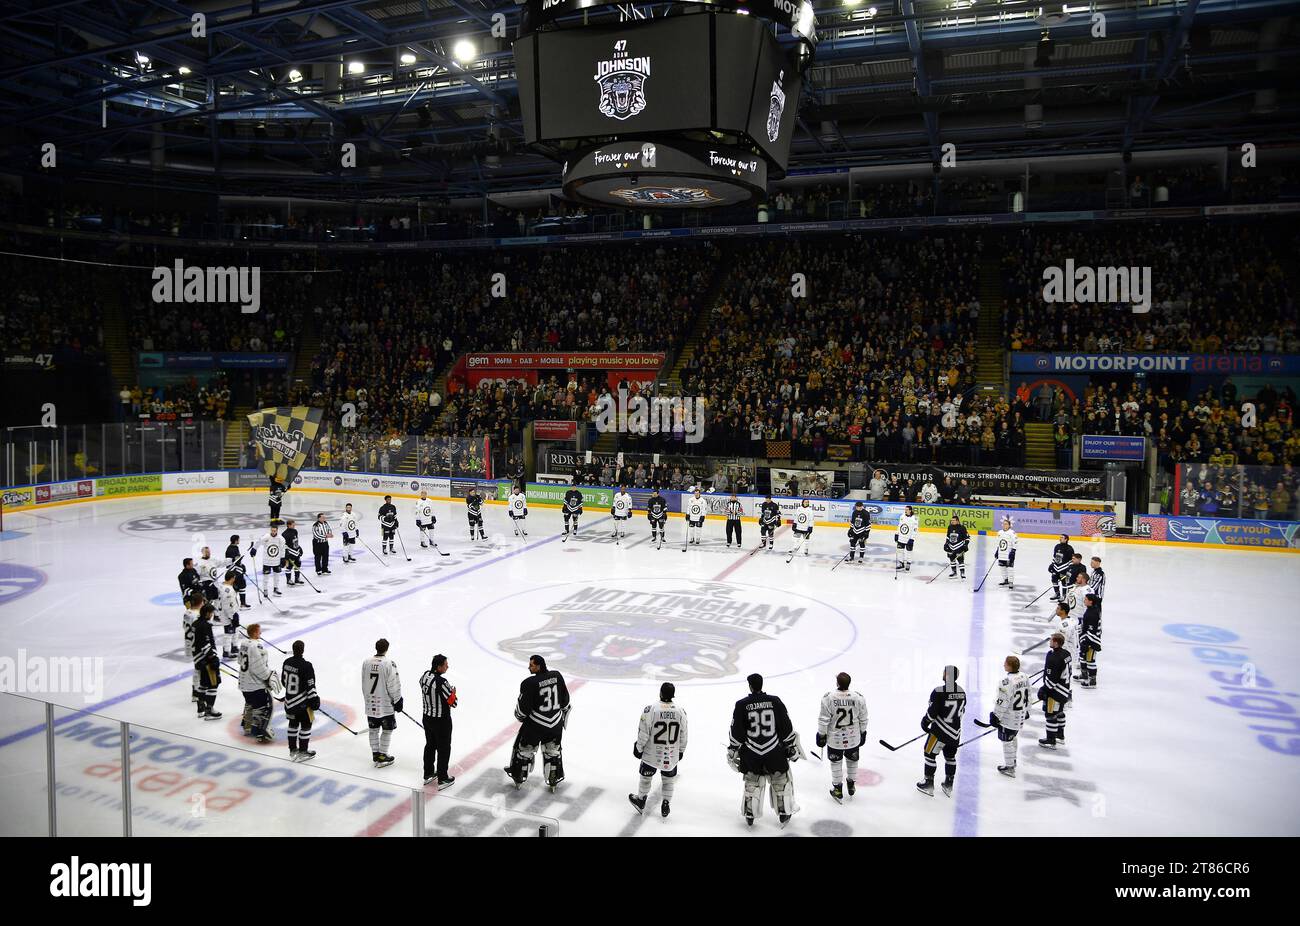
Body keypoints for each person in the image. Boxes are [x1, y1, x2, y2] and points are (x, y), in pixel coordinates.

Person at [728, 673, 799, 828]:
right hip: (774, 751)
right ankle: (784, 812)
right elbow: (786, 727)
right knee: (780, 780)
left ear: (750, 686)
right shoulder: (775, 701)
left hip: (752, 753)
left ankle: (750, 814)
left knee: (752, 782)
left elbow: (737, 732)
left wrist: (733, 748)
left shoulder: (741, 704)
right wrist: (790, 745)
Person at [505, 655, 570, 790]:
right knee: (552, 751)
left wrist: (523, 718)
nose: (529, 667)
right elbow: (565, 701)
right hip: (555, 725)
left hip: (535, 726)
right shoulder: (557, 676)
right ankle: (553, 778)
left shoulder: (529, 683)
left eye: (532, 665)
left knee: (524, 750)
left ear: (539, 666)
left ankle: (519, 776)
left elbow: (522, 712)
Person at [629, 682, 688, 819]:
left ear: (660, 693)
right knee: (668, 780)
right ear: (673, 695)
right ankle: (666, 804)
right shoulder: (680, 711)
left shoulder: (651, 709)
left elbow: (644, 733)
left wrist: (638, 748)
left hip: (651, 753)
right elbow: (683, 734)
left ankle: (641, 800)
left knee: (645, 778)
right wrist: (681, 751)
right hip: (671, 753)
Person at [816, 672, 867, 803]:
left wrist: (821, 735)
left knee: (836, 763)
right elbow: (863, 718)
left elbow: (823, 720)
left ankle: (838, 789)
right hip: (853, 737)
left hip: (835, 739)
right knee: (852, 761)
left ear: (837, 683)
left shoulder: (828, 698)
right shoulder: (858, 698)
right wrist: (863, 732)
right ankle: (851, 785)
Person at [916, 665, 965, 797]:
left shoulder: (938, 691)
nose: (942, 674)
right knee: (950, 757)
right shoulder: (961, 691)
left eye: (944, 672)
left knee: (929, 754)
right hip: (955, 733)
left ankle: (928, 783)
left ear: (947, 675)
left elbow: (932, 712)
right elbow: (962, 711)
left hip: (939, 732)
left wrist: (925, 722)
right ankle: (949, 784)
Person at [988, 655, 1031, 777]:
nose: (1003, 665)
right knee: (1012, 738)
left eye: (1005, 663)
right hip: (1020, 715)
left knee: (1006, 741)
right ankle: (1013, 760)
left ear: (1010, 666)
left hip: (1009, 718)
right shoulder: (1024, 676)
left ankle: (1010, 767)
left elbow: (1003, 701)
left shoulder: (1005, 682)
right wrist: (1027, 710)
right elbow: (1029, 694)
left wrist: (995, 716)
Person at [362, 638, 402, 768]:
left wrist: (367, 699)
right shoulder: (389, 663)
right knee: (387, 730)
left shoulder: (366, 662)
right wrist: (398, 700)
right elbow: (393, 684)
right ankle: (383, 754)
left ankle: (376, 754)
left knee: (373, 730)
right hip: (385, 705)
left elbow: (364, 682)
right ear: (387, 648)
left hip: (370, 703)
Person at [419, 654, 457, 788]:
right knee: (444, 748)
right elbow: (453, 702)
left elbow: (422, 684)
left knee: (430, 745)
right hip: (441, 721)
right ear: (439, 667)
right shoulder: (441, 682)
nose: (448, 666)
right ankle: (443, 778)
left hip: (427, 717)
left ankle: (428, 773)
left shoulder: (425, 676)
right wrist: (453, 693)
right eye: (445, 664)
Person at [281, 640, 321, 762]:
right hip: (302, 704)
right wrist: (314, 700)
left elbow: (284, 681)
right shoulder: (306, 666)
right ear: (303, 650)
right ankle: (303, 751)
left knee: (292, 724)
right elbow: (310, 685)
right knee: (306, 725)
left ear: (293, 649)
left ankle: (292, 750)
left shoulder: (287, 662)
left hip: (289, 702)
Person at [238, 623, 275, 743]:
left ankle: (247, 727)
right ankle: (259, 733)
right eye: (259, 631)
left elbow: (240, 660)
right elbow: (258, 667)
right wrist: (268, 677)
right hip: (255, 685)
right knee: (261, 707)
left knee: (249, 704)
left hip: (243, 683)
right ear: (254, 633)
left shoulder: (244, 644)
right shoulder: (256, 646)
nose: (261, 633)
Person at [1038, 632, 1071, 749]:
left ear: (1056, 643)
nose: (1050, 641)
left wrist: (1043, 690)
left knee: (1051, 715)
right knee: (1060, 712)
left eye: (1051, 640)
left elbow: (1052, 680)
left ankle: (1051, 740)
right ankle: (1060, 736)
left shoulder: (1054, 657)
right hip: (1065, 689)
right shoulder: (1066, 653)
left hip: (1056, 692)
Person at [192, 603, 222, 721]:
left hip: (198, 659)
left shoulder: (196, 623)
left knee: (204, 683)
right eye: (211, 613)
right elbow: (205, 645)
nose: (212, 615)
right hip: (206, 660)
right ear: (207, 613)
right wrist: (213, 658)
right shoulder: (205, 626)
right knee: (213, 684)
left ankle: (201, 708)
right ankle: (209, 710)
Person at [181, 592, 204, 704]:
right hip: (198, 644)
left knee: (197, 667)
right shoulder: (198, 615)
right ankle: (197, 692)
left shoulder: (187, 612)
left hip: (189, 642)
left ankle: (196, 691)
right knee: (199, 668)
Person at [1078, 593, 1102, 689]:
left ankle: (1092, 681)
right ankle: (1084, 675)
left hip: (1092, 641)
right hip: (1086, 638)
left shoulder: (1093, 613)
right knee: (1083, 657)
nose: (1084, 600)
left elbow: (1092, 631)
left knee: (1090, 660)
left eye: (1086, 599)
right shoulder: (1090, 610)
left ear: (1090, 601)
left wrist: (1086, 643)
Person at [257, 523, 285, 597]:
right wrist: (254, 549)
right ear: (270, 530)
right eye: (272, 530)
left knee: (277, 576)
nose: (273, 532)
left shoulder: (281, 538)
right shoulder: (266, 537)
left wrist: (283, 558)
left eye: (275, 531)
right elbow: (258, 542)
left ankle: (275, 589)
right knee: (266, 577)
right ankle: (265, 590)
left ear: (277, 531)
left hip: (276, 561)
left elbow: (282, 549)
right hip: (267, 561)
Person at [218, 571, 242, 659]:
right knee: (228, 632)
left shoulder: (222, 586)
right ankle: (226, 651)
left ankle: (234, 647)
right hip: (228, 614)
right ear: (232, 578)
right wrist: (232, 616)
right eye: (234, 578)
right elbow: (228, 604)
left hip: (229, 612)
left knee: (236, 630)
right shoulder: (227, 590)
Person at [223, 534, 250, 608]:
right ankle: (239, 604)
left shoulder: (232, 547)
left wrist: (241, 565)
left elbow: (237, 560)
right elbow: (235, 561)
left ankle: (239, 604)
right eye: (238, 539)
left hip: (234, 570)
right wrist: (241, 568)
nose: (239, 541)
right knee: (239, 586)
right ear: (236, 541)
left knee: (239, 587)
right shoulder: (232, 549)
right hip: (234, 572)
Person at [943, 514, 970, 580]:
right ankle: (954, 572)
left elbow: (967, 537)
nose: (952, 521)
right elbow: (948, 536)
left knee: (960, 560)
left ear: (957, 521)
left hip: (959, 547)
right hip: (951, 546)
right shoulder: (950, 527)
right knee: (952, 559)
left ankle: (962, 573)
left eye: (953, 520)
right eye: (951, 520)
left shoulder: (962, 527)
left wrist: (965, 545)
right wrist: (946, 543)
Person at [1049, 533, 1074, 601]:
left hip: (1064, 569)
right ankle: (1057, 594)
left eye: (1062, 537)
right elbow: (1055, 556)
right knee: (1054, 580)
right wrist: (1052, 564)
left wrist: (1069, 569)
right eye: (1060, 537)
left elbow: (1071, 560)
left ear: (1066, 539)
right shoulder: (1057, 546)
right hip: (1056, 568)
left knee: (1064, 582)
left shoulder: (1069, 548)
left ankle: (1063, 595)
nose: (1060, 538)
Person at [894, 505, 919, 571]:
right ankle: (901, 563)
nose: (905, 511)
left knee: (909, 551)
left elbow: (915, 529)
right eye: (905, 509)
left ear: (910, 510)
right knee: (900, 550)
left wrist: (912, 538)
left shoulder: (915, 519)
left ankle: (908, 564)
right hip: (901, 537)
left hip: (909, 538)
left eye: (907, 509)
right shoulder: (902, 516)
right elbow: (899, 525)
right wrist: (896, 534)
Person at [996, 516, 1018, 587]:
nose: (1004, 525)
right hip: (1001, 553)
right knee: (1002, 568)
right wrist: (997, 551)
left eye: (1006, 524)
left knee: (1010, 569)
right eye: (1003, 524)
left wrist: (1013, 551)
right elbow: (998, 543)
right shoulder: (999, 532)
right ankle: (1005, 580)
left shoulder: (1012, 533)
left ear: (1009, 525)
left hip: (1008, 554)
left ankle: (1011, 582)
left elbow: (1015, 542)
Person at [281, 519, 303, 586]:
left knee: (298, 564)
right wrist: (286, 553)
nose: (294, 526)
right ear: (289, 525)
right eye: (293, 525)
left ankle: (297, 579)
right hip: (290, 553)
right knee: (289, 567)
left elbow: (296, 541)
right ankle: (288, 580)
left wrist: (299, 548)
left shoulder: (295, 531)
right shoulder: (284, 534)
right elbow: (283, 545)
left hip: (296, 552)